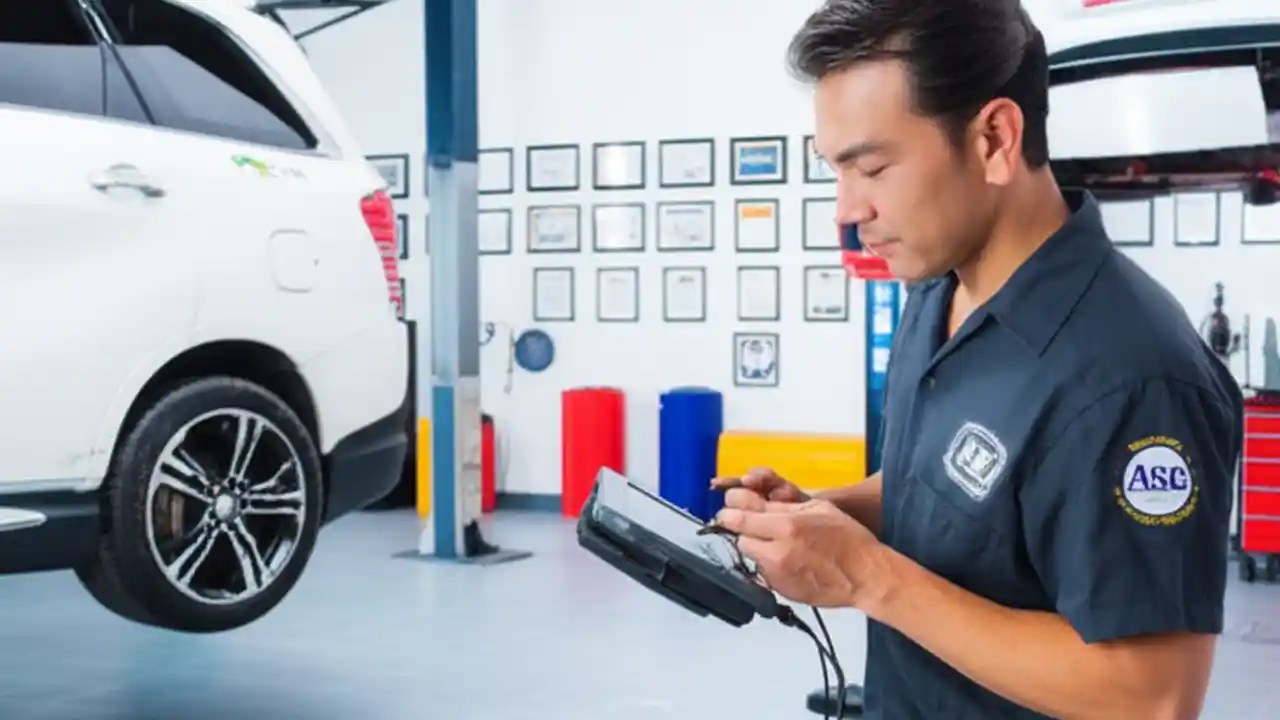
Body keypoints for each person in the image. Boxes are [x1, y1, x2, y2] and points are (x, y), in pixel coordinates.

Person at [710, 1, 1245, 718]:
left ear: (995, 138)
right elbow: (953, 486)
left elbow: (1151, 696)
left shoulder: (1132, 377)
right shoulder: (938, 294)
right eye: (835, 170)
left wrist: (868, 576)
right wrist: (820, 518)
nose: (846, 209)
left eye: (872, 168)